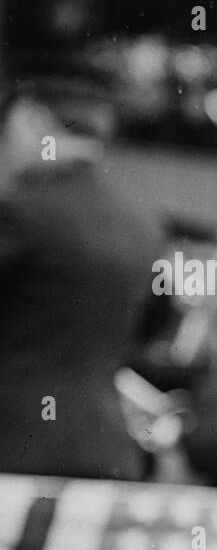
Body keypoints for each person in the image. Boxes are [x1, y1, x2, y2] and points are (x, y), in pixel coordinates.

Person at [0, 66, 163, 480]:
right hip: (106, 453)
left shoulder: (21, 210)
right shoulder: (142, 225)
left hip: (14, 453)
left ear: (32, 118)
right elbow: (153, 329)